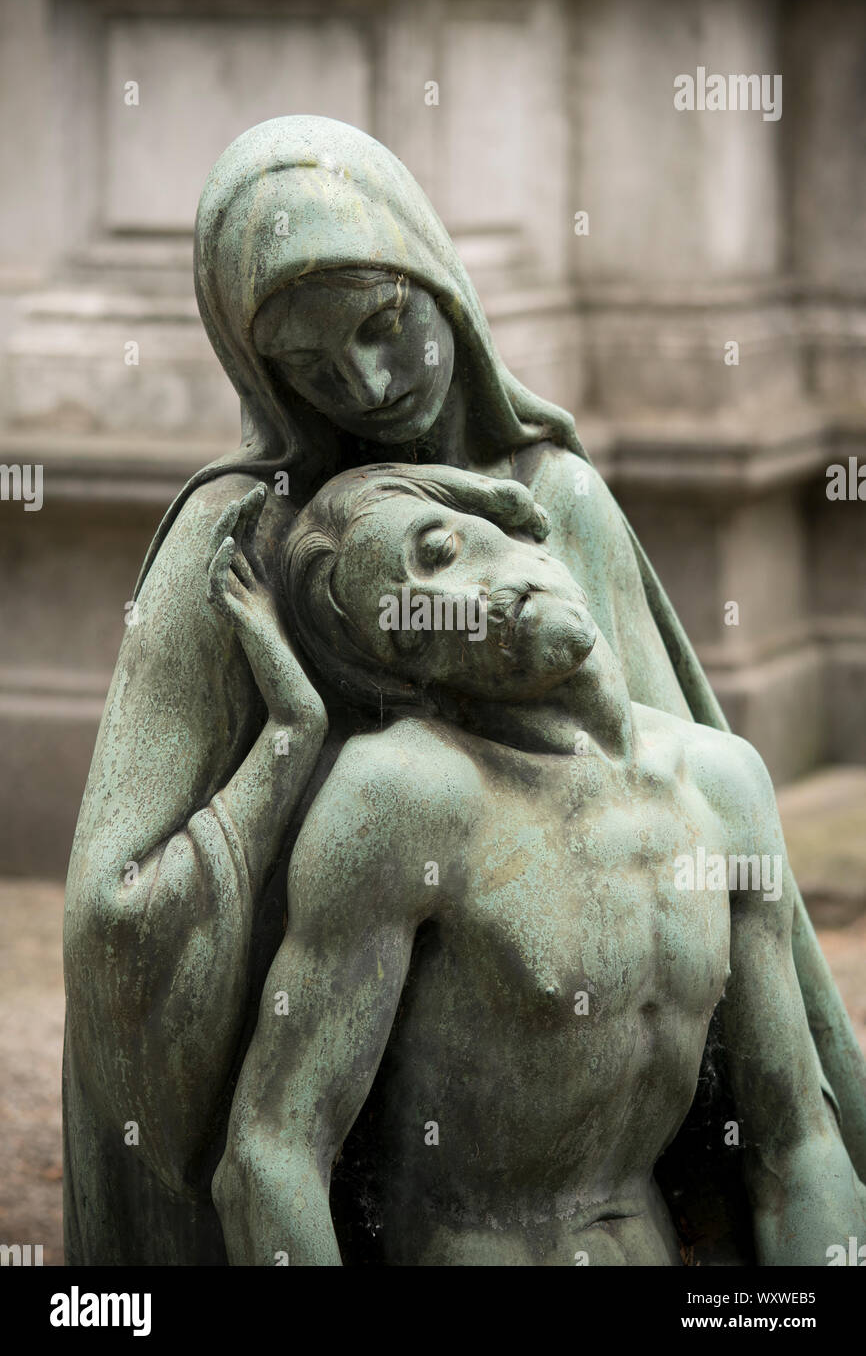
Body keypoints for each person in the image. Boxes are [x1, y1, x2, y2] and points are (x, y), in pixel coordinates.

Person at [63, 116, 866, 1265]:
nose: (368, 381)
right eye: (311, 364)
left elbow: (672, 853)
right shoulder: (235, 551)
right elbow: (117, 928)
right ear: (260, 373)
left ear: (437, 278)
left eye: (386, 325)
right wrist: (290, 741)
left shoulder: (561, 504)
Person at [211, 463, 866, 1266]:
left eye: (440, 547)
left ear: (516, 522)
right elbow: (271, 1154)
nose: (456, 607)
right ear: (416, 680)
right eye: (411, 631)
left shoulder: (726, 786)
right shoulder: (410, 797)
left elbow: (795, 1143)